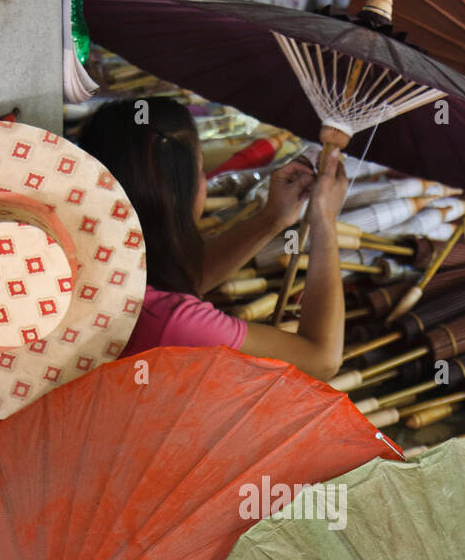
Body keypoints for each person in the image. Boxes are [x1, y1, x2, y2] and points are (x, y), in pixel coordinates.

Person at [78, 97, 349, 382]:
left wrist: (274, 218)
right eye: (200, 171)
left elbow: (180, 278)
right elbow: (322, 359)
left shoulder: (86, 258)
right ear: (175, 198)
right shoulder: (170, 323)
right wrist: (324, 220)